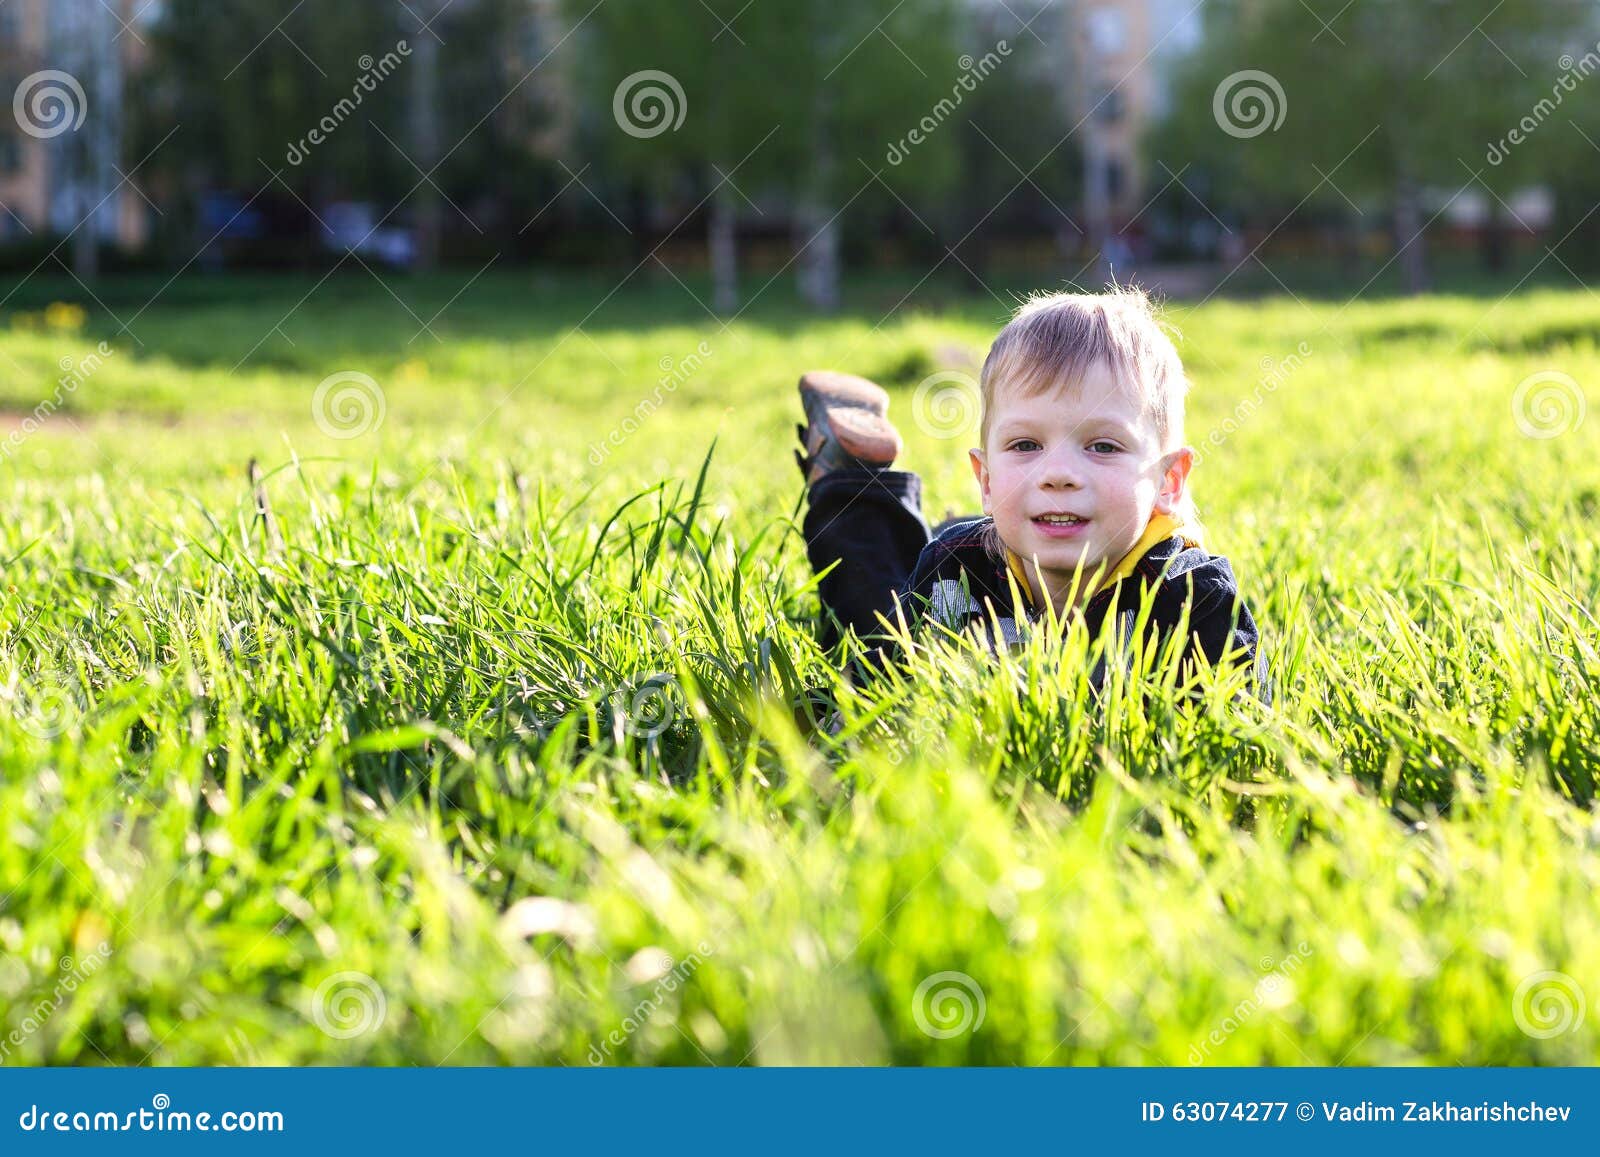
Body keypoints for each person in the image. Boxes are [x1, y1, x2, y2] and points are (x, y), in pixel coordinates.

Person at [796, 286, 1263, 690]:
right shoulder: (955, 570)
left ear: (1169, 482)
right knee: (871, 618)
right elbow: (887, 695)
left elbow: (1236, 730)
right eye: (1025, 444)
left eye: (1102, 445)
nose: (1057, 473)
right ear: (987, 479)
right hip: (978, 539)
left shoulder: (1191, 599)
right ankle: (853, 478)